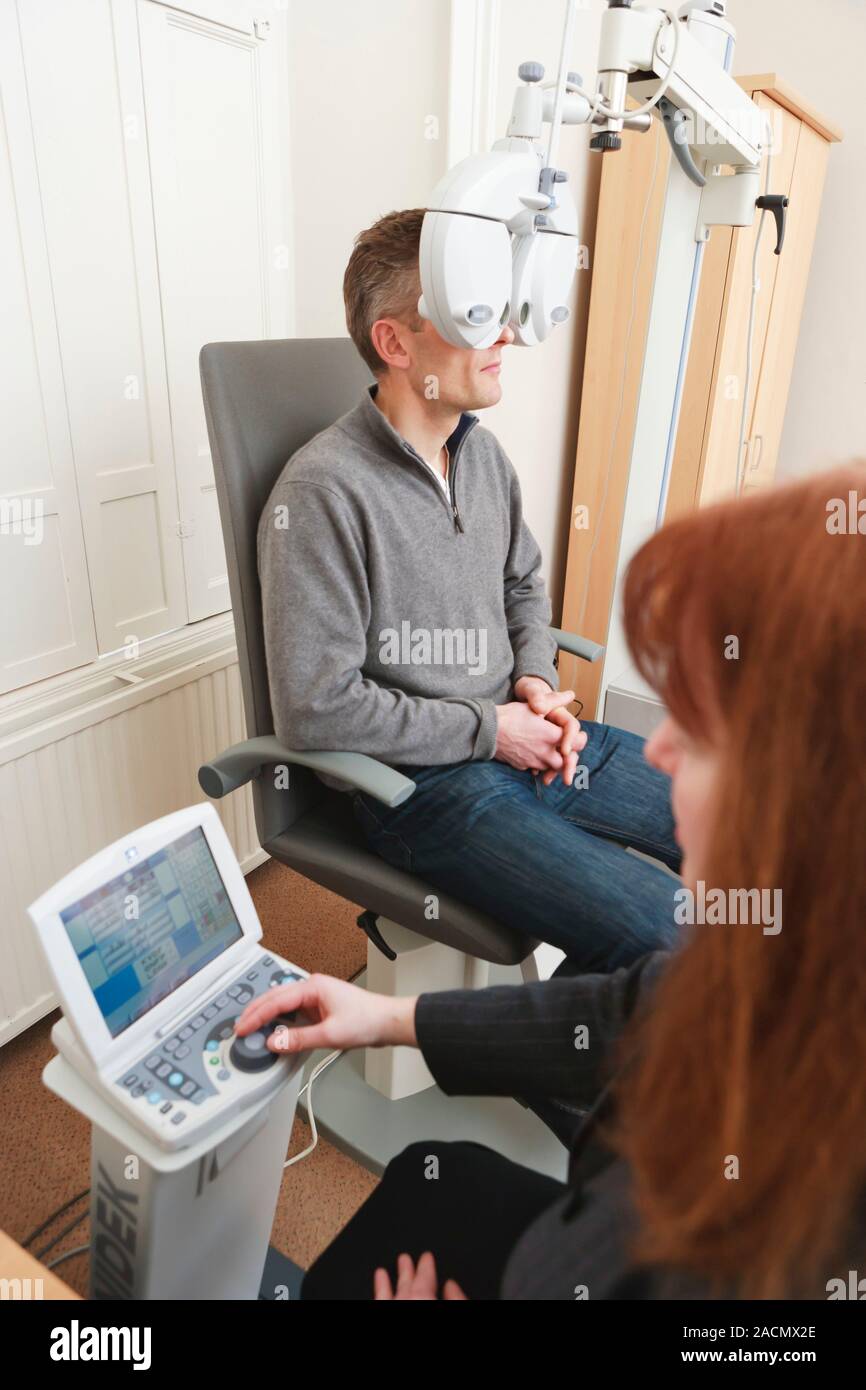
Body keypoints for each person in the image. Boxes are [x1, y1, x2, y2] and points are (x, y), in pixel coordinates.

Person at [241, 465, 866, 1299]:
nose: (663, 745)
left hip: (626, 1240)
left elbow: (524, 588)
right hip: (440, 776)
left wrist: (525, 686)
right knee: (440, 1174)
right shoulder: (812, 957)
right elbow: (643, 1003)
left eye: (704, 723)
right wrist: (390, 1019)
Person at [258, 208, 680, 970]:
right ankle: (552, 1068)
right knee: (667, 933)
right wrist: (493, 731)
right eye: (474, 314)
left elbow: (522, 585)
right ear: (395, 342)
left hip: (526, 736)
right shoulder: (322, 492)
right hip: (426, 788)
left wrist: (536, 682)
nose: (507, 335)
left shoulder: (482, 459)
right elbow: (317, 709)